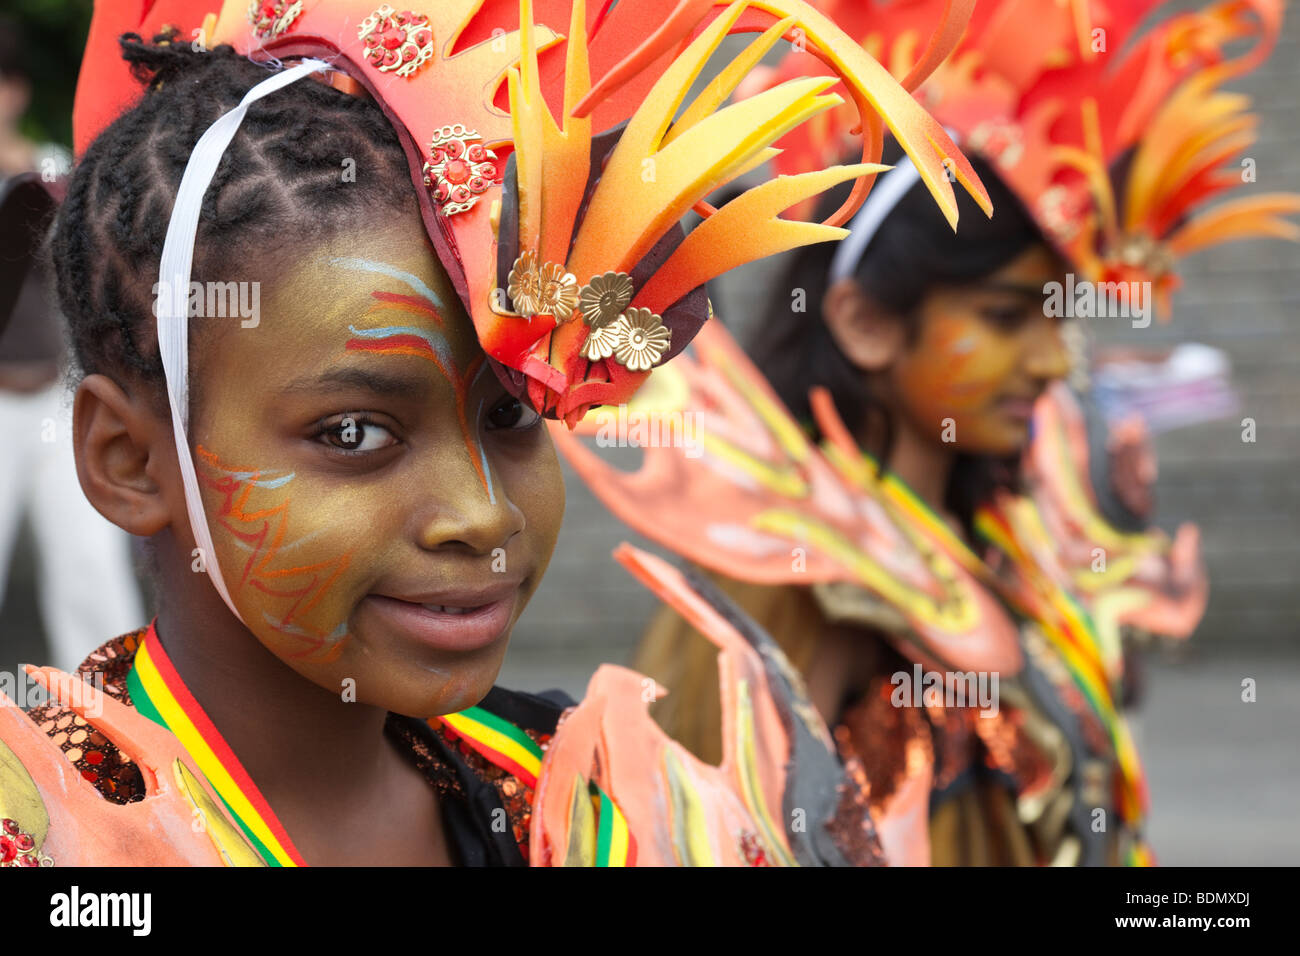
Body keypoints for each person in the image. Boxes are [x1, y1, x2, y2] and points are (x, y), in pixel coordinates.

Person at [0, 0, 986, 866]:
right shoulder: (43, 830)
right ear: (128, 460)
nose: (480, 513)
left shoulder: (626, 814)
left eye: (512, 412)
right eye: (353, 431)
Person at [557, 0, 1299, 864]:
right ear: (866, 322)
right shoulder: (794, 566)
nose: (1051, 362)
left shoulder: (1012, 539)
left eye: (1057, 321)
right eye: (1004, 317)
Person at [0, 15, 144, 672]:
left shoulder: (56, 170)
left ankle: (106, 734)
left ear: (16, 90)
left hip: (61, 402)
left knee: (92, 571)